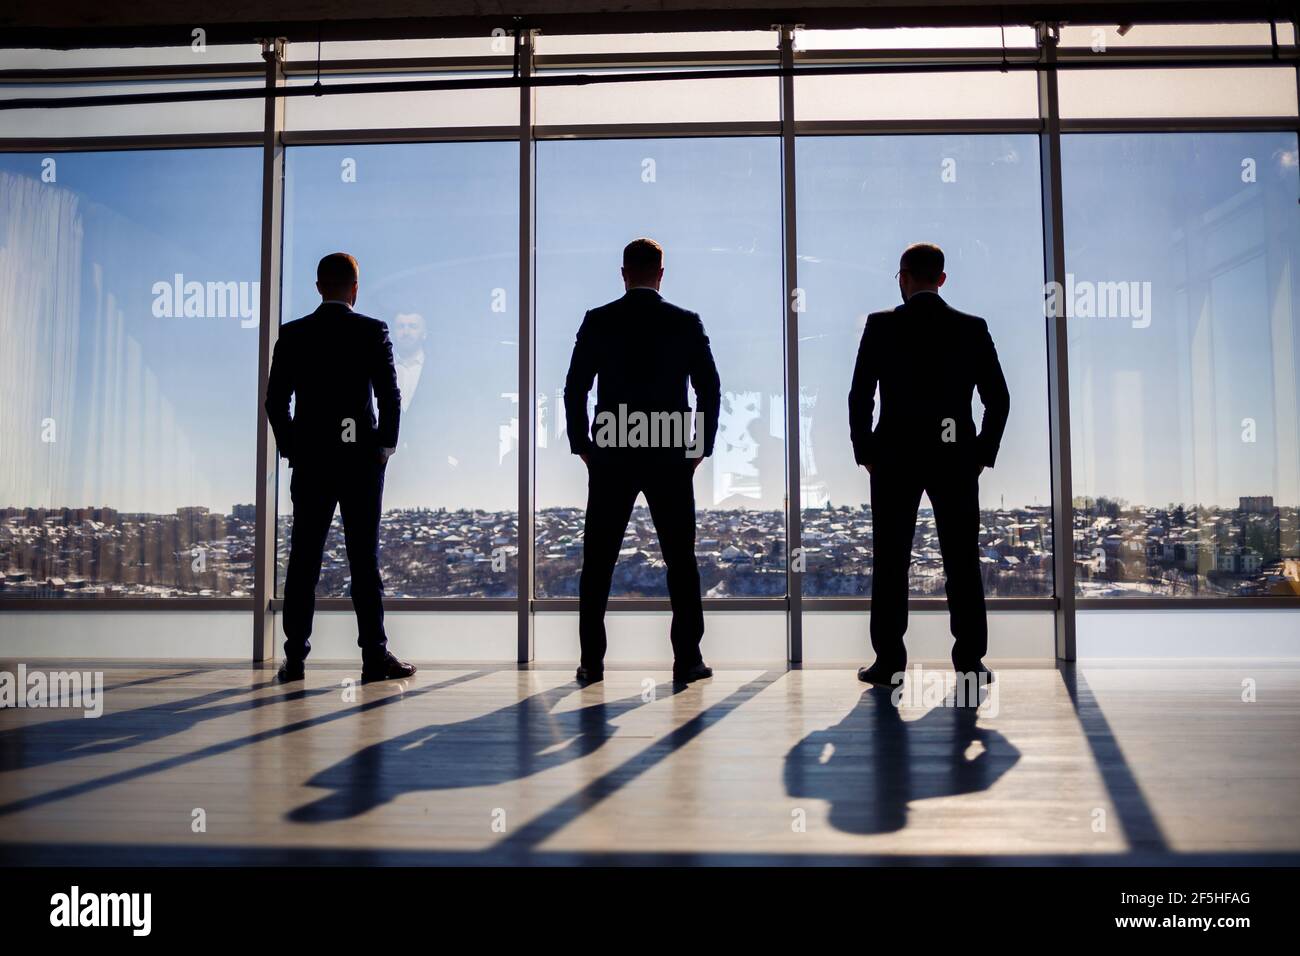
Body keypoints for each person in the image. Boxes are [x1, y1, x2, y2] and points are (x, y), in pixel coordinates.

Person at [848, 242, 1010, 689]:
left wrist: (867, 453)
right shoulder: (971, 328)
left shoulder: (881, 326)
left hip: (894, 458)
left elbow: (861, 395)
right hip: (953, 456)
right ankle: (970, 662)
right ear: (941, 279)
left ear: (903, 278)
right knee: (961, 561)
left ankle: (889, 662)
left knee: (891, 560)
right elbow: (998, 399)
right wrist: (979, 455)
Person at [563, 238, 721, 685]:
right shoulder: (685, 323)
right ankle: (687, 658)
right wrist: (698, 446)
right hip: (669, 449)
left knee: (598, 560)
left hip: (612, 449)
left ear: (624, 272)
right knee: (680, 559)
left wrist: (584, 445)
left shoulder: (599, 321)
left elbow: (575, 388)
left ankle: (591, 662)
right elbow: (709, 389)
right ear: (661, 273)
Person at [265, 252, 417, 684]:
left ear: (318, 287)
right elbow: (390, 395)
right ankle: (374, 657)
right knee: (363, 560)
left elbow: (276, 403)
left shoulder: (293, 334)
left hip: (312, 461)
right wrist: (384, 446)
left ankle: (294, 659)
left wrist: (294, 447)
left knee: (304, 559)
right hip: (360, 463)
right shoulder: (371, 331)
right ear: (355, 287)